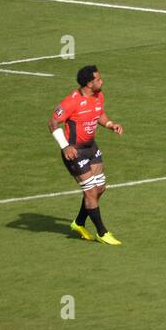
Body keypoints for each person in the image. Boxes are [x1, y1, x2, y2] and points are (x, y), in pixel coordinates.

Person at [49, 65, 123, 246]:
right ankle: (102, 232)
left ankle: (79, 223)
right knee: (90, 191)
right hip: (75, 152)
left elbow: (99, 113)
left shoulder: (98, 95)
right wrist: (65, 146)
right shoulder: (71, 101)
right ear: (89, 83)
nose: (101, 81)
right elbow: (53, 122)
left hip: (91, 148)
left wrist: (110, 124)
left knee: (100, 188)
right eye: (98, 79)